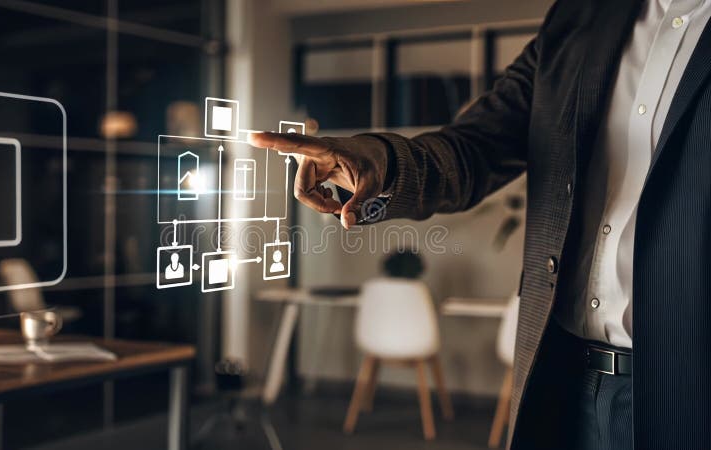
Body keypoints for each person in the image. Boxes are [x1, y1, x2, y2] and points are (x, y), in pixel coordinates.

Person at [249, 1, 711, 448]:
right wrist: (382, 159)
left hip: (690, 393)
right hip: (557, 383)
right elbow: (476, 145)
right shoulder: (579, 15)